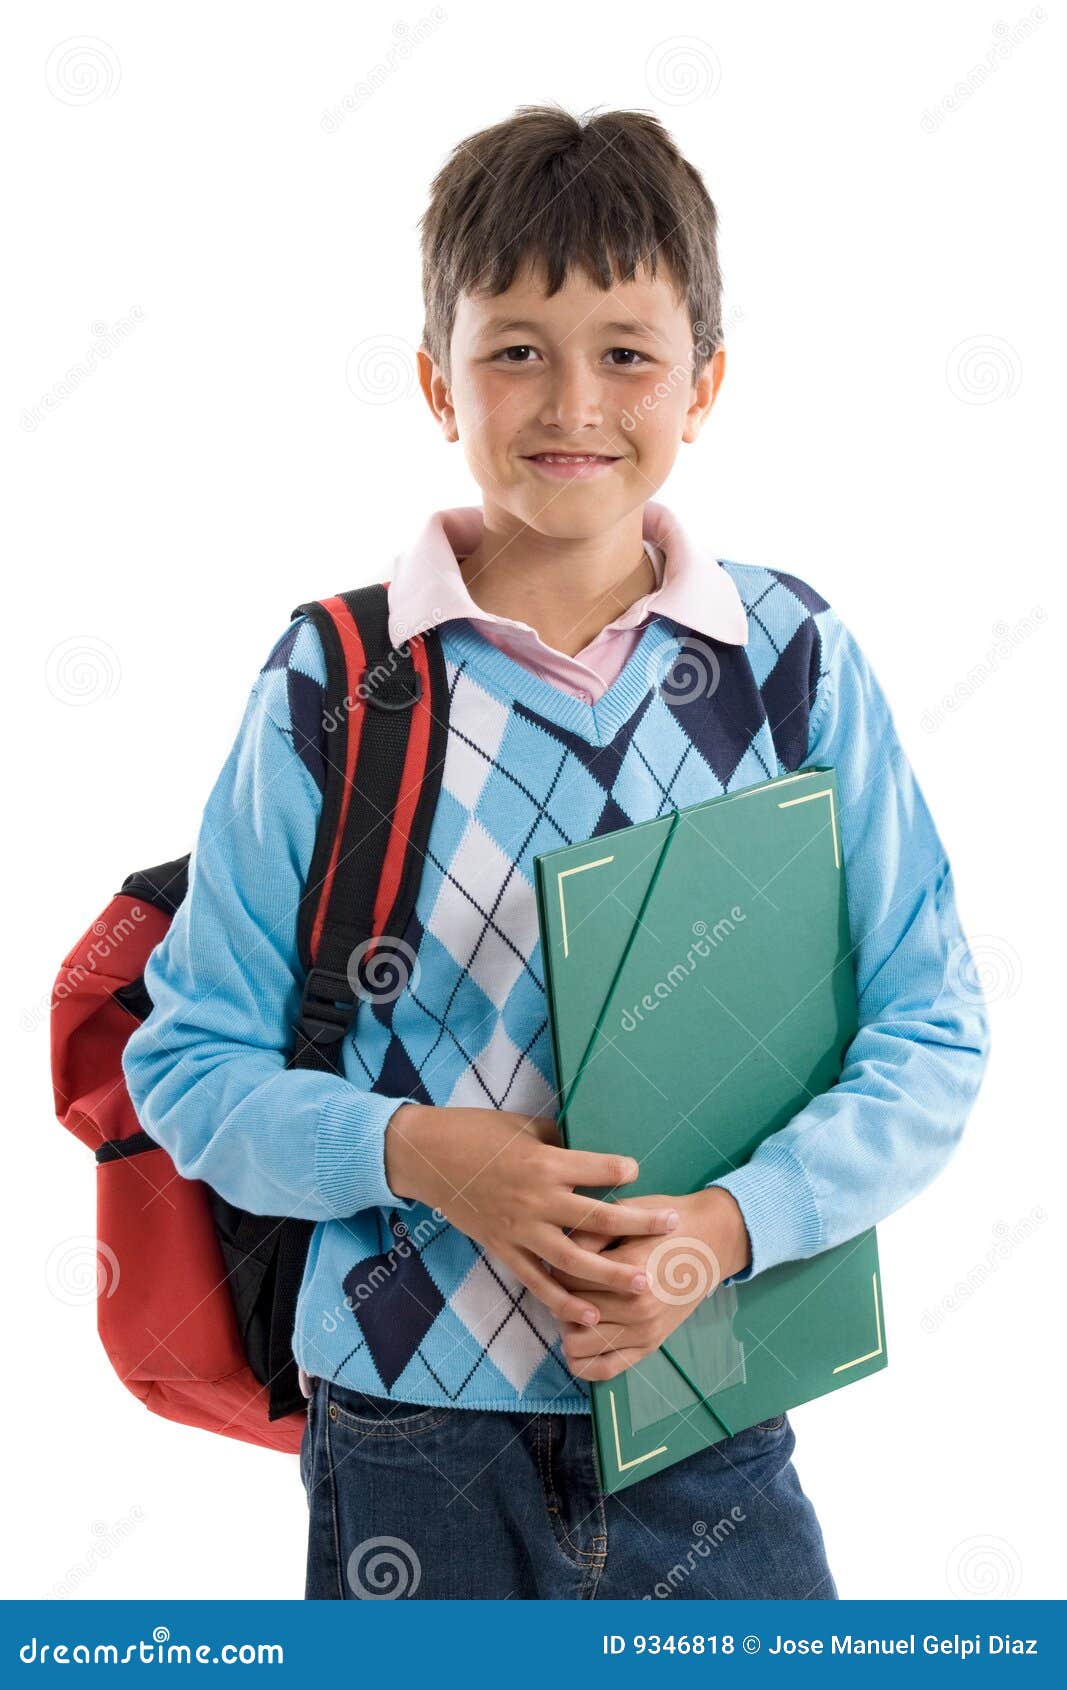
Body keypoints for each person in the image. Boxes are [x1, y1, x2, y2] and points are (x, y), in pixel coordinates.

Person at [122, 104, 991, 1600]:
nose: (572, 399)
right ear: (431, 378)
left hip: (707, 1410)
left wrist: (727, 1228)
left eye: (628, 352)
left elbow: (932, 1026)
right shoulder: (338, 683)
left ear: (704, 384)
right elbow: (188, 1062)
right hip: (406, 1438)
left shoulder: (792, 664)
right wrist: (417, 1154)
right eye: (514, 346)